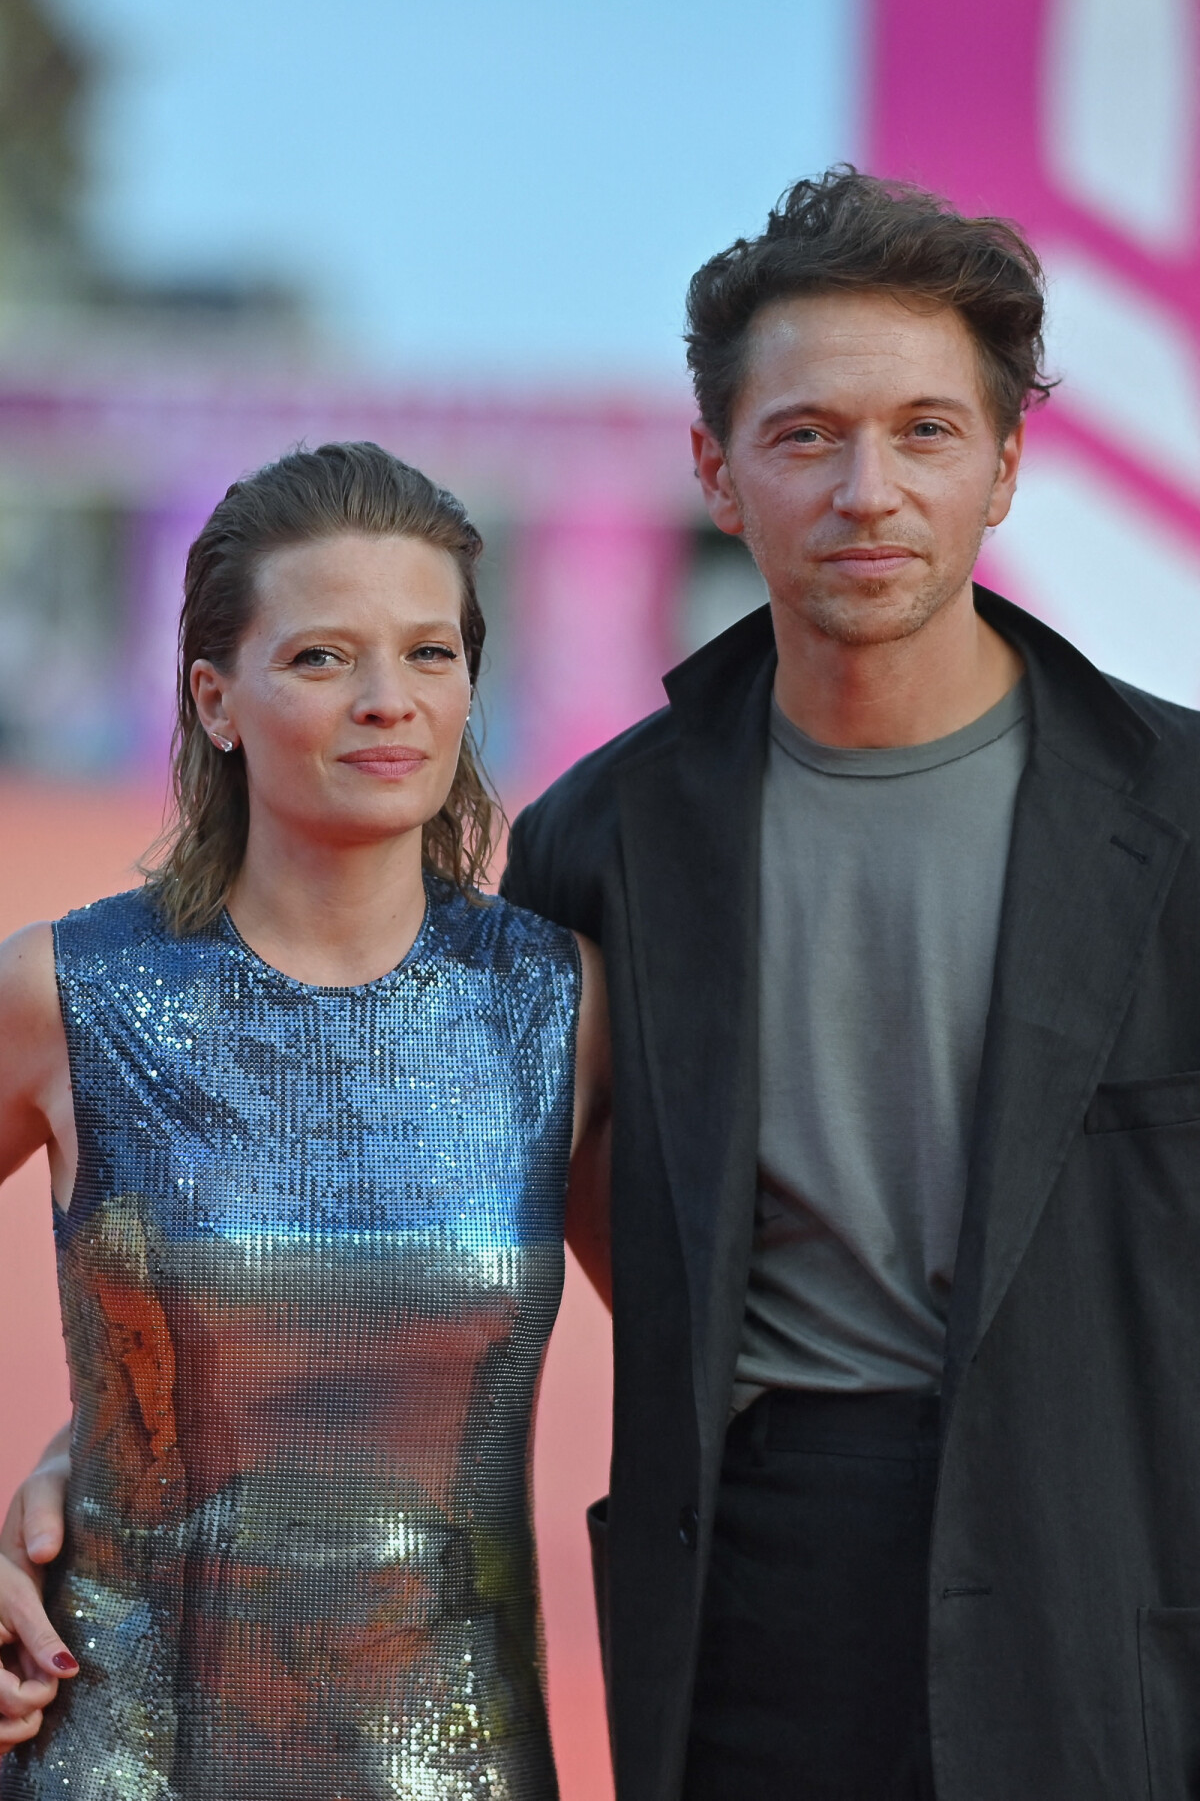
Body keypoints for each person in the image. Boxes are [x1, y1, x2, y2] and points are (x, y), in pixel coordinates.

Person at [10, 166, 1200, 1801]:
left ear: (1004, 465)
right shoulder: (601, 849)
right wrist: (110, 1439)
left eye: (927, 430)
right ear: (715, 468)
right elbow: (424, 1228)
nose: (869, 489)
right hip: (755, 1586)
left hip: (1120, 1551)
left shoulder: (1187, 822)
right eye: (804, 435)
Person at [0, 440, 610, 1798]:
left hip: (460, 1756)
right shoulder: (68, 989)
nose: (388, 701)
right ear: (215, 699)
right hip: (123, 1753)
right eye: (323, 657)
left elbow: (723, 1365)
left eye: (430, 653)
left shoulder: (564, 1006)